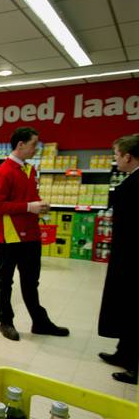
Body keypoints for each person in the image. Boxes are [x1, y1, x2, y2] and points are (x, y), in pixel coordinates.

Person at [0, 126, 69, 341]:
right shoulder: (3, 172)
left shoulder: (30, 170)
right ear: (20, 145)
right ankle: (5, 322)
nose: (37, 149)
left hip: (31, 235)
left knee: (31, 281)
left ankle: (40, 322)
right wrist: (28, 207)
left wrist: (39, 206)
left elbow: (28, 197)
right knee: (5, 281)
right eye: (34, 144)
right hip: (10, 237)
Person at [97, 133, 139, 385]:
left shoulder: (136, 184)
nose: (115, 159)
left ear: (128, 156)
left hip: (133, 258)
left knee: (133, 308)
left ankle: (133, 366)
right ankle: (124, 353)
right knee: (128, 307)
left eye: (116, 155)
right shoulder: (132, 180)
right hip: (127, 254)